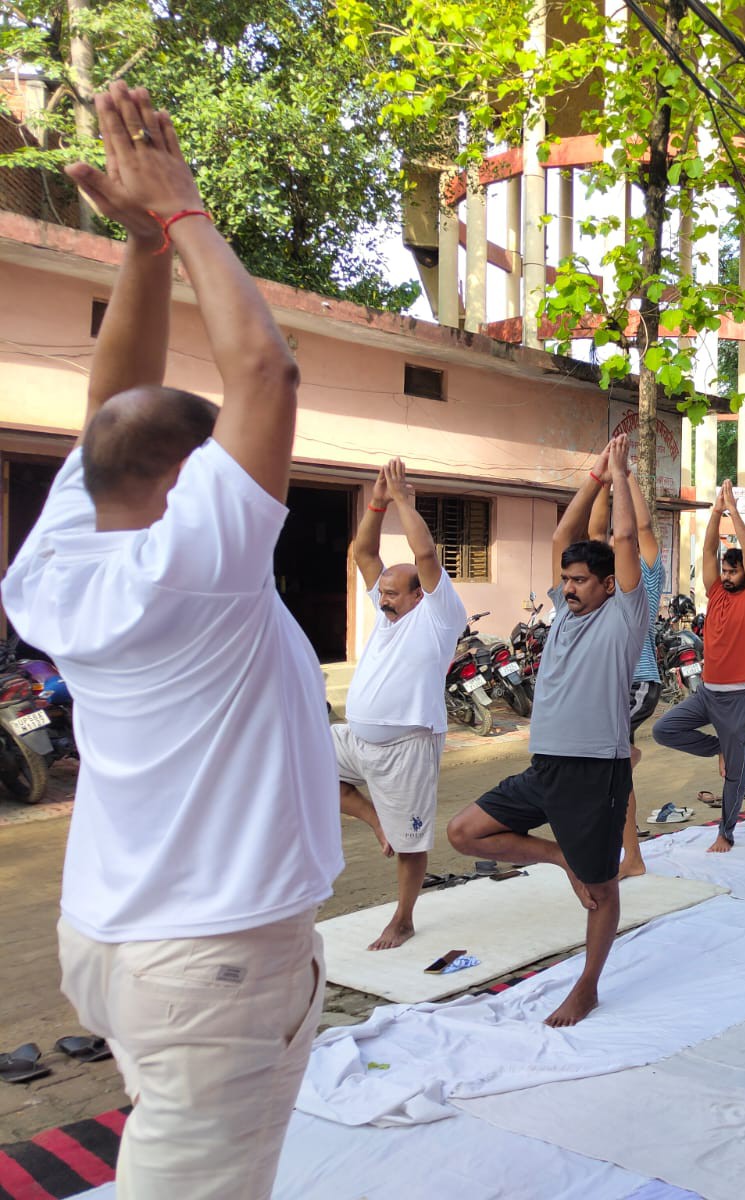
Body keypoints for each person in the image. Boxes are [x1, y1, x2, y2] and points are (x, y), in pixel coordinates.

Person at [1, 84, 341, 1199]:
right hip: (215, 963)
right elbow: (268, 375)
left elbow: (118, 402)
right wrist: (187, 212)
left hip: (114, 940)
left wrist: (142, 251)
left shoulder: (59, 558)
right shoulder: (194, 570)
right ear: (195, 486)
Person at [447, 434, 648, 1027]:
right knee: (464, 832)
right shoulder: (565, 613)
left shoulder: (625, 616)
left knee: (602, 886)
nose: (569, 586)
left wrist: (620, 476)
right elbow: (563, 539)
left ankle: (587, 985)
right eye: (567, 580)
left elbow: (627, 539)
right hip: (546, 766)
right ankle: (559, 856)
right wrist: (592, 475)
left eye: (582, 580)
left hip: (594, 771)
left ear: (608, 584)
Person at [335, 457, 468, 950]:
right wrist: (376, 501)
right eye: (382, 592)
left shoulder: (439, 615)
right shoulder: (389, 612)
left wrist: (405, 504)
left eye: (392, 594)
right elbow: (362, 551)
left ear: (419, 596)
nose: (383, 600)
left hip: (407, 745)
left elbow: (426, 553)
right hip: (356, 739)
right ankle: (376, 820)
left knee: (412, 843)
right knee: (295, 762)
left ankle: (404, 917)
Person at [653, 479, 745, 852]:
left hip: (740, 697)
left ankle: (726, 833)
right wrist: (715, 512)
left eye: (734, 571)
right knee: (664, 730)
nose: (728, 575)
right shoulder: (716, 592)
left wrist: (733, 510)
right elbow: (706, 550)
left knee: (736, 773)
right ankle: (719, 746)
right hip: (708, 693)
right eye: (726, 570)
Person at [588, 457, 666, 876]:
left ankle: (623, 757)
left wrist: (629, 477)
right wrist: (602, 482)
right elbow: (595, 533)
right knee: (617, 777)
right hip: (610, 686)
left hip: (638, 683)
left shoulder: (646, 581)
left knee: (616, 765)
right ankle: (631, 857)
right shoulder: (604, 584)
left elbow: (645, 530)